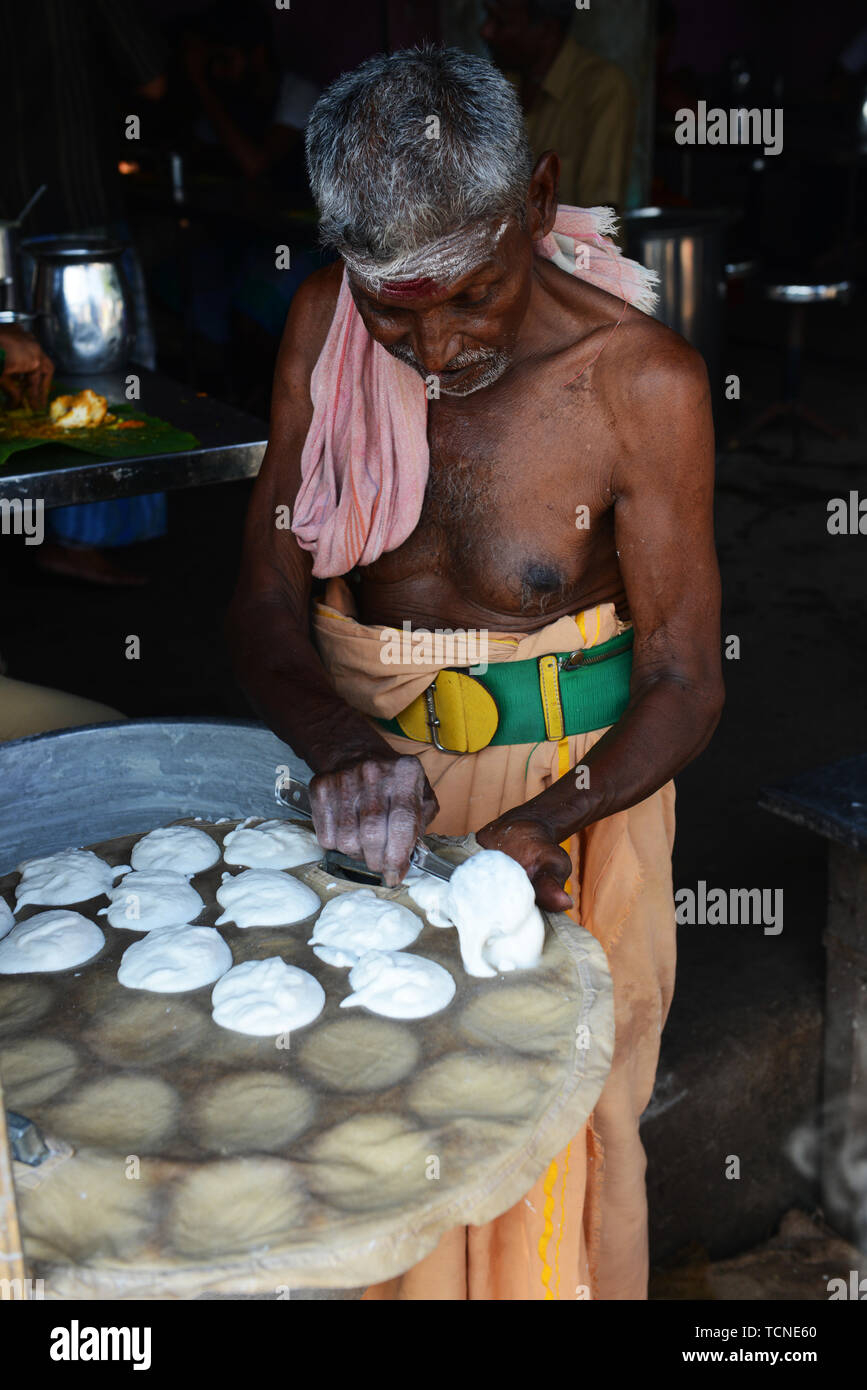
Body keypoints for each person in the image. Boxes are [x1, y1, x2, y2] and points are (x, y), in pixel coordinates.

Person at [228, 46, 722, 1300]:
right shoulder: (324, 327)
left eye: (474, 294)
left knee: (549, 1128)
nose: (434, 345)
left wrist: (542, 826)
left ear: (538, 196)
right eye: (395, 308)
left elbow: (683, 682)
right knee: (357, 1122)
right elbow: (265, 603)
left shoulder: (639, 383)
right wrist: (345, 752)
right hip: (366, 799)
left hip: (571, 801)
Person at [0, 0, 168, 586]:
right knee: (96, 376)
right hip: (77, 208)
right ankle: (79, 536)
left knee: (29, 387)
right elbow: (153, 79)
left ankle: (37, 527)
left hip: (11, 216)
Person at [481, 0, 637, 215]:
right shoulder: (499, 85)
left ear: (545, 29)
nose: (486, 31)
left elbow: (598, 219)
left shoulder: (604, 89)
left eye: (501, 22)